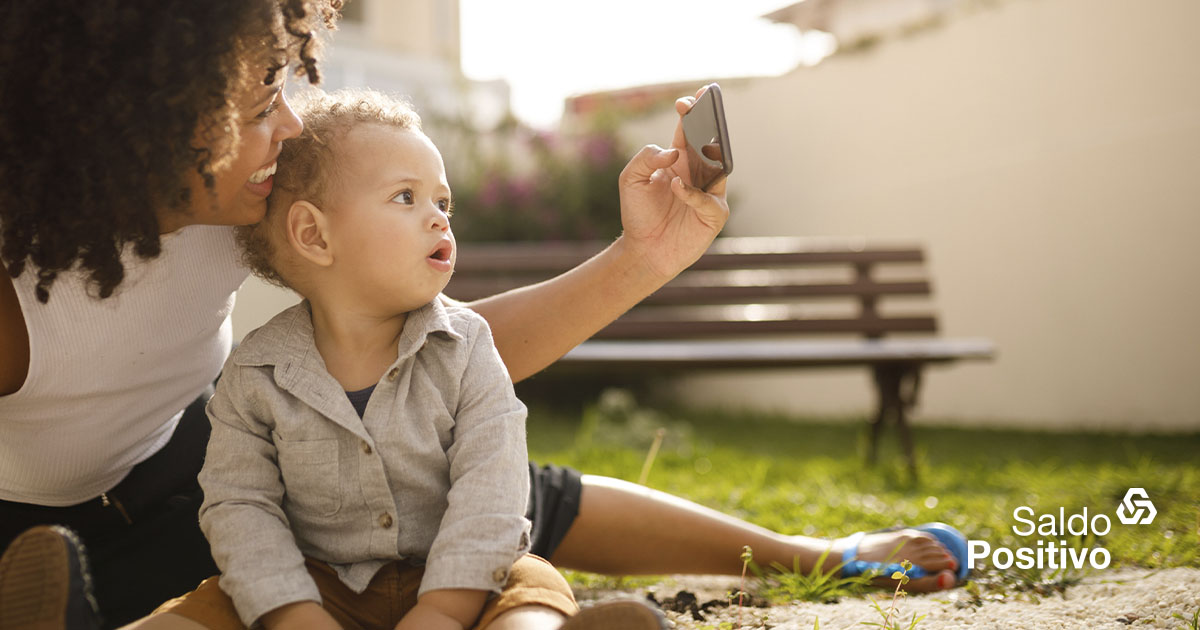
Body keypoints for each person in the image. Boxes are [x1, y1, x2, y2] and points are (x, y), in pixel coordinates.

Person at [0, 2, 958, 629]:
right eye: (254, 106)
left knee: (447, 470)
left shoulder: (247, 205)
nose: (287, 124)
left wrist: (645, 258)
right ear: (138, 112)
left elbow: (436, 350)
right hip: (43, 533)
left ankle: (820, 556)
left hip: (195, 467)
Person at [143, 88, 665, 630]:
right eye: (405, 197)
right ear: (313, 234)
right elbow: (240, 506)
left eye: (443, 202)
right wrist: (293, 613)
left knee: (531, 588)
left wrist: (444, 609)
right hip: (316, 587)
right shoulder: (256, 374)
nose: (439, 219)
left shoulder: (467, 347)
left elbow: (492, 492)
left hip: (460, 579)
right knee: (201, 608)